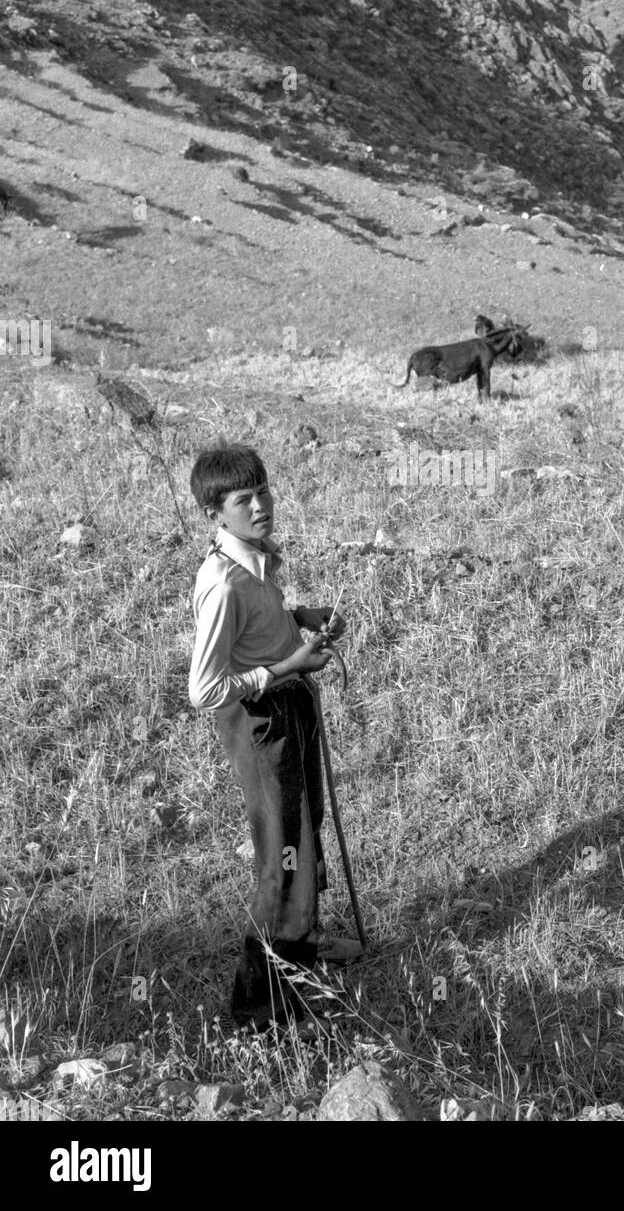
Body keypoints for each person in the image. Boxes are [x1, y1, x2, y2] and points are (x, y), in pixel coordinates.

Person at [188, 441, 360, 1032]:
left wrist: (299, 620)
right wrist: (287, 668)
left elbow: (258, 632)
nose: (260, 505)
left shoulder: (258, 558)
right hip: (260, 724)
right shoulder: (223, 583)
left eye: (263, 490)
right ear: (215, 511)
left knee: (302, 837)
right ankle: (261, 1012)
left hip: (287, 709)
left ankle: (303, 946)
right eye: (244, 499)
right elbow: (205, 689)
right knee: (280, 859)